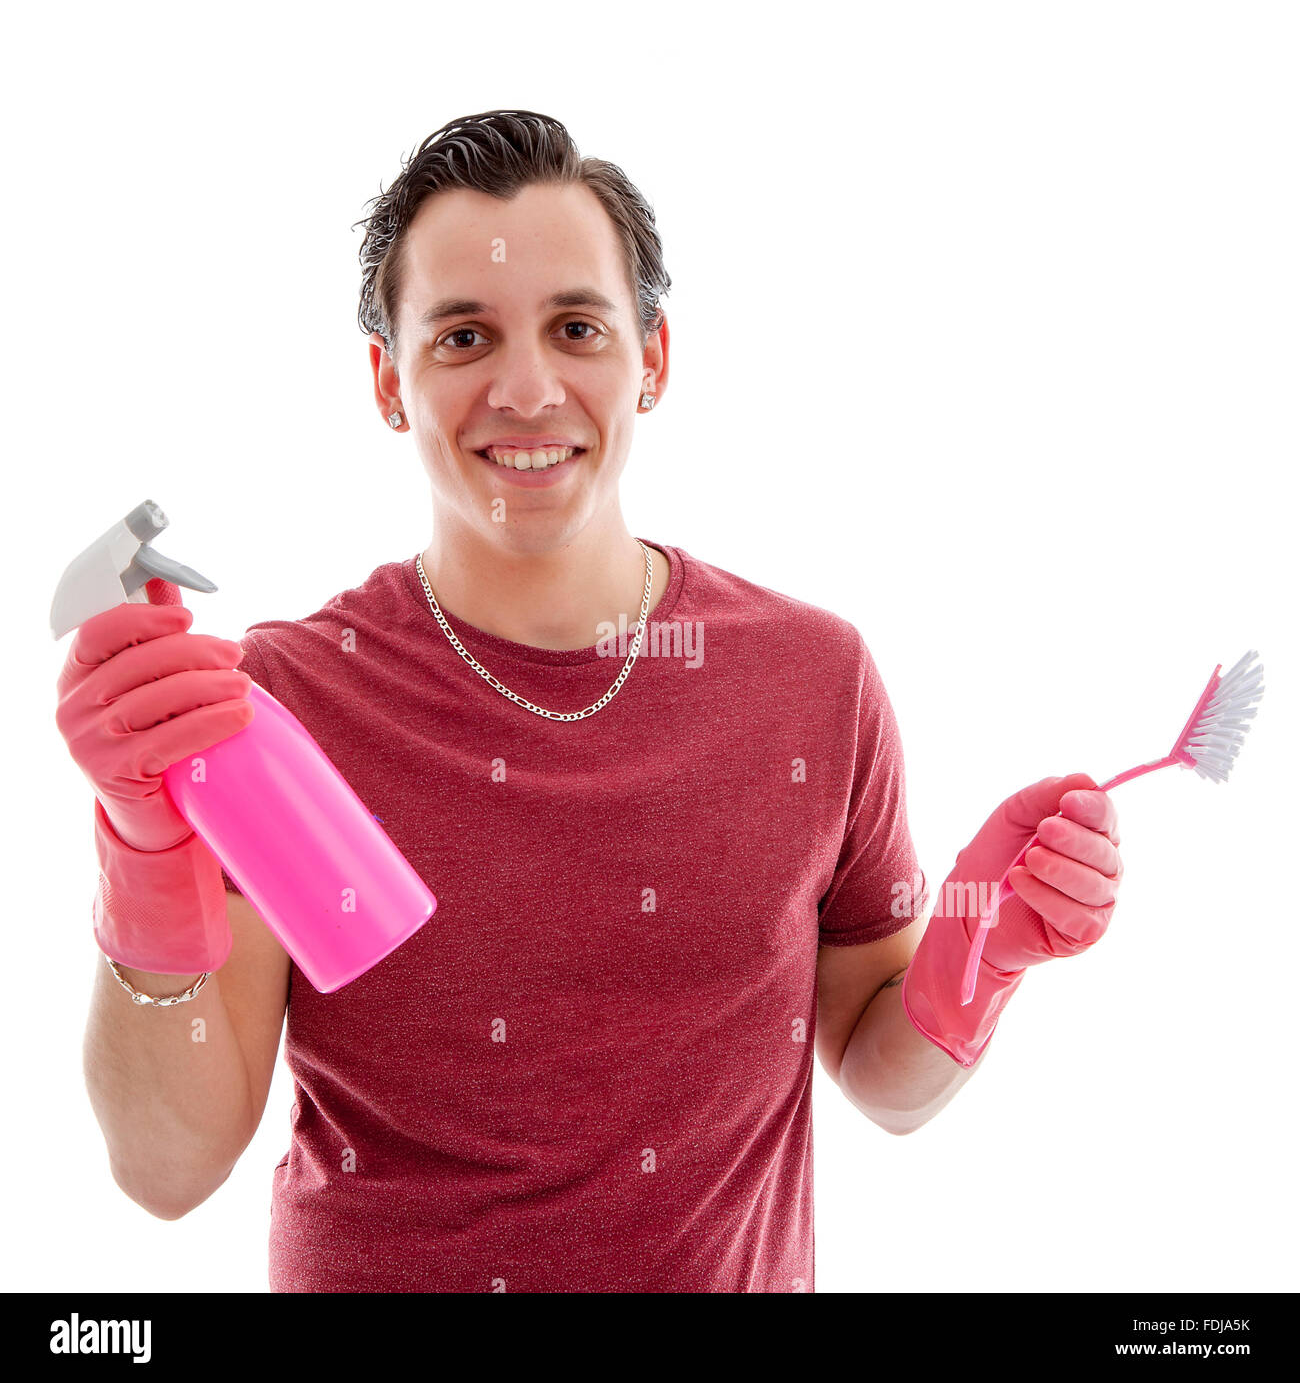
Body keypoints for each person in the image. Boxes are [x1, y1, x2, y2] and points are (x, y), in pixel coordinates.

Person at [58, 110, 1123, 1293]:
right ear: (388, 383)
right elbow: (167, 1168)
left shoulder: (811, 679)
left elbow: (885, 1079)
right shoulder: (285, 705)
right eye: (463, 336)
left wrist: (979, 956)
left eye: (576, 327)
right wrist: (145, 856)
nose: (525, 388)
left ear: (651, 359)